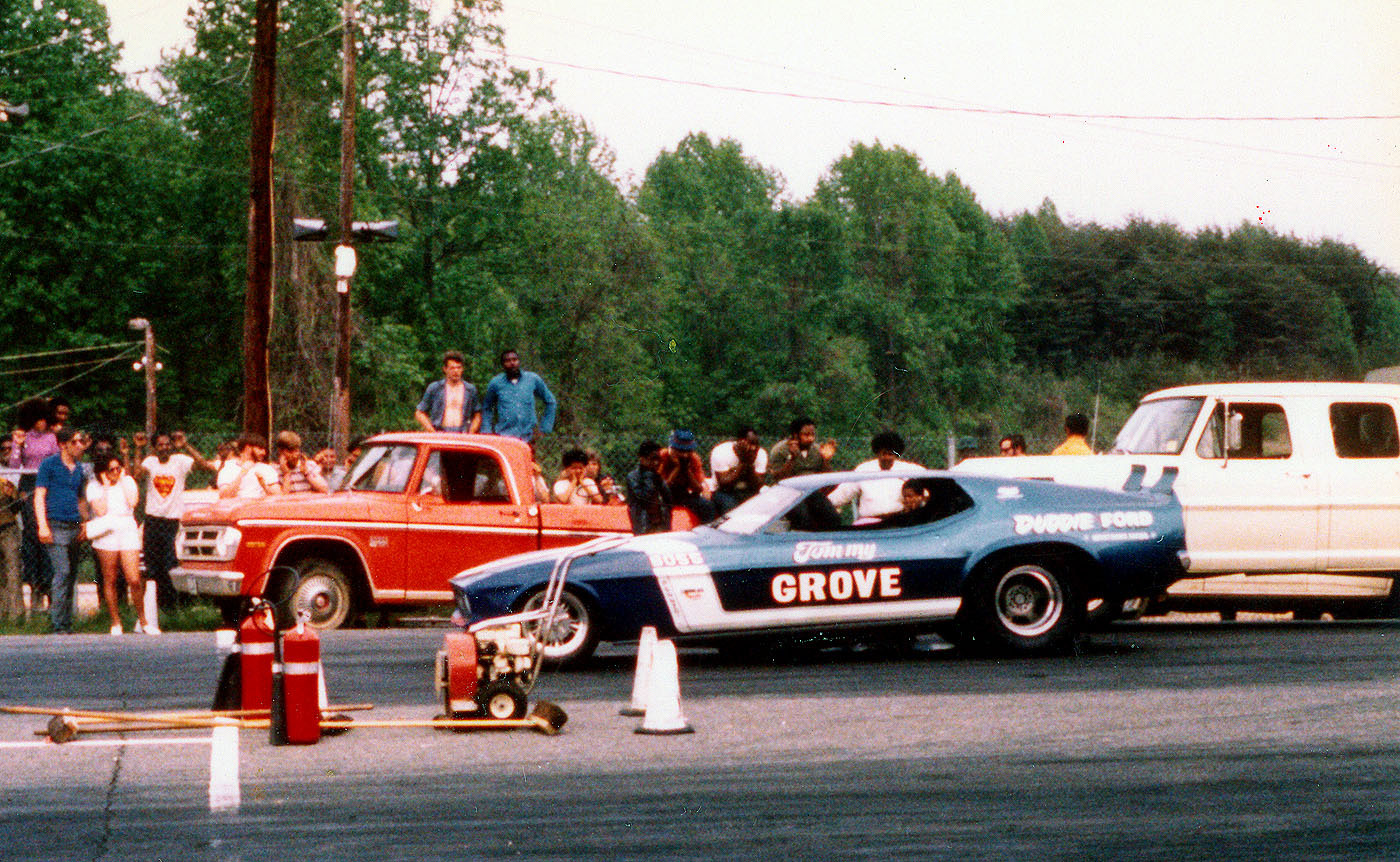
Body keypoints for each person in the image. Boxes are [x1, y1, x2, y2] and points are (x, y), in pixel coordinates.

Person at [132, 431, 213, 609]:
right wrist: (138, 449)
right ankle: (158, 608)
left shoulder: (180, 460)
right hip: (153, 519)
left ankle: (175, 607)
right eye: (160, 445)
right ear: (154, 448)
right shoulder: (151, 462)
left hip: (172, 520)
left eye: (167, 444)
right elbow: (137, 475)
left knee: (171, 564)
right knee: (153, 566)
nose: (164, 448)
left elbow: (205, 466)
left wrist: (186, 446)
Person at [86, 452, 153, 635]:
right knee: (110, 578)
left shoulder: (128, 481)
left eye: (118, 468)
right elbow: (100, 511)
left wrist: (122, 480)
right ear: (103, 472)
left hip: (127, 528)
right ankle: (116, 622)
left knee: (134, 578)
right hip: (107, 531)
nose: (115, 472)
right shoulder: (94, 486)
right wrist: (106, 487)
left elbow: (133, 502)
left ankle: (144, 621)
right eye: (111, 470)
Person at [33, 427, 88, 633]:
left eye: (81, 442)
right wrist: (43, 525)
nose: (80, 446)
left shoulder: (79, 468)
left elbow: (81, 498)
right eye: (75, 442)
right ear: (63, 444)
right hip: (55, 524)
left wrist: (85, 523)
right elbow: (39, 496)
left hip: (74, 524)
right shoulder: (49, 465)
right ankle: (57, 624)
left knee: (71, 574)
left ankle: (66, 623)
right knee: (62, 571)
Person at [10, 397, 59, 609]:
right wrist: (17, 446)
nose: (41, 423)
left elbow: (57, 461)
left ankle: (49, 587)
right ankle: (35, 586)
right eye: (37, 419)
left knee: (47, 534)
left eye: (44, 419)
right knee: (31, 535)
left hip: (47, 485)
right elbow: (14, 464)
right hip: (28, 485)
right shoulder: (24, 436)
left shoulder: (52, 437)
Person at [828, 431, 924, 521]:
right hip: (870, 523)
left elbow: (929, 486)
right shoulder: (864, 470)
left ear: (896, 454)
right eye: (883, 453)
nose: (886, 457)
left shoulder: (910, 470)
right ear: (877, 453)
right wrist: (824, 505)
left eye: (890, 454)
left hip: (898, 521)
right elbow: (843, 493)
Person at [481, 349, 557, 442]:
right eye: (508, 361)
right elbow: (486, 407)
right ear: (503, 364)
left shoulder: (532, 379)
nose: (512, 363)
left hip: (528, 437)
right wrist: (486, 431)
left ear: (519, 361)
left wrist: (545, 428)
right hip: (504, 437)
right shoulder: (496, 383)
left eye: (515, 359)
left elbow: (550, 401)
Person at [415, 350, 481, 433]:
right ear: (445, 369)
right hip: (440, 432)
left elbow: (477, 414)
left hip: (462, 433)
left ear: (462, 369)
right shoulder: (435, 388)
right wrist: (432, 431)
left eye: (458, 367)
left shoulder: (470, 390)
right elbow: (419, 412)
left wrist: (471, 433)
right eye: (452, 368)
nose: (456, 371)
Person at [659, 430, 715, 522]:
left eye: (688, 451)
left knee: (707, 505)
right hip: (662, 495)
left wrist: (687, 471)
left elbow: (698, 488)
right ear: (672, 448)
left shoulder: (693, 458)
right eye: (681, 451)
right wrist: (676, 468)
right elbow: (661, 487)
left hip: (682, 494)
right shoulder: (662, 456)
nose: (684, 455)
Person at [710, 426, 767, 515]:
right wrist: (743, 462)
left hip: (749, 491)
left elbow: (758, 484)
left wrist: (749, 464)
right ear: (740, 442)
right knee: (731, 508)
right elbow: (724, 484)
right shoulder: (721, 451)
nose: (753, 448)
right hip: (724, 492)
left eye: (756, 444)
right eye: (750, 443)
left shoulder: (761, 453)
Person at [625, 440, 672, 535]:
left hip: (660, 524)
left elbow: (668, 499)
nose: (656, 463)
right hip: (643, 526)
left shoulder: (657, 476)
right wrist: (648, 477)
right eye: (652, 459)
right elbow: (644, 498)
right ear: (642, 459)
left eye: (658, 459)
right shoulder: (633, 477)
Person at [768, 417, 836, 482]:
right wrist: (792, 459)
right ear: (796, 435)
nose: (811, 439)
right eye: (806, 435)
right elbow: (778, 478)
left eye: (813, 435)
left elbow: (827, 477)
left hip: (813, 489)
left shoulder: (817, 449)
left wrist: (825, 460)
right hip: (789, 489)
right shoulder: (780, 450)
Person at [216, 434, 280, 499]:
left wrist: (263, 485)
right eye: (260, 449)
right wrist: (242, 473)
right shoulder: (228, 469)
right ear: (248, 448)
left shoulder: (266, 469)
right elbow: (224, 496)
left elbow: (278, 497)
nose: (264, 452)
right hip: (237, 507)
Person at [0, 464, 21, 621]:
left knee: (13, 571)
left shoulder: (8, 475)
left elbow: (16, 507)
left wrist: (12, 496)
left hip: (7, 529)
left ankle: (16, 616)